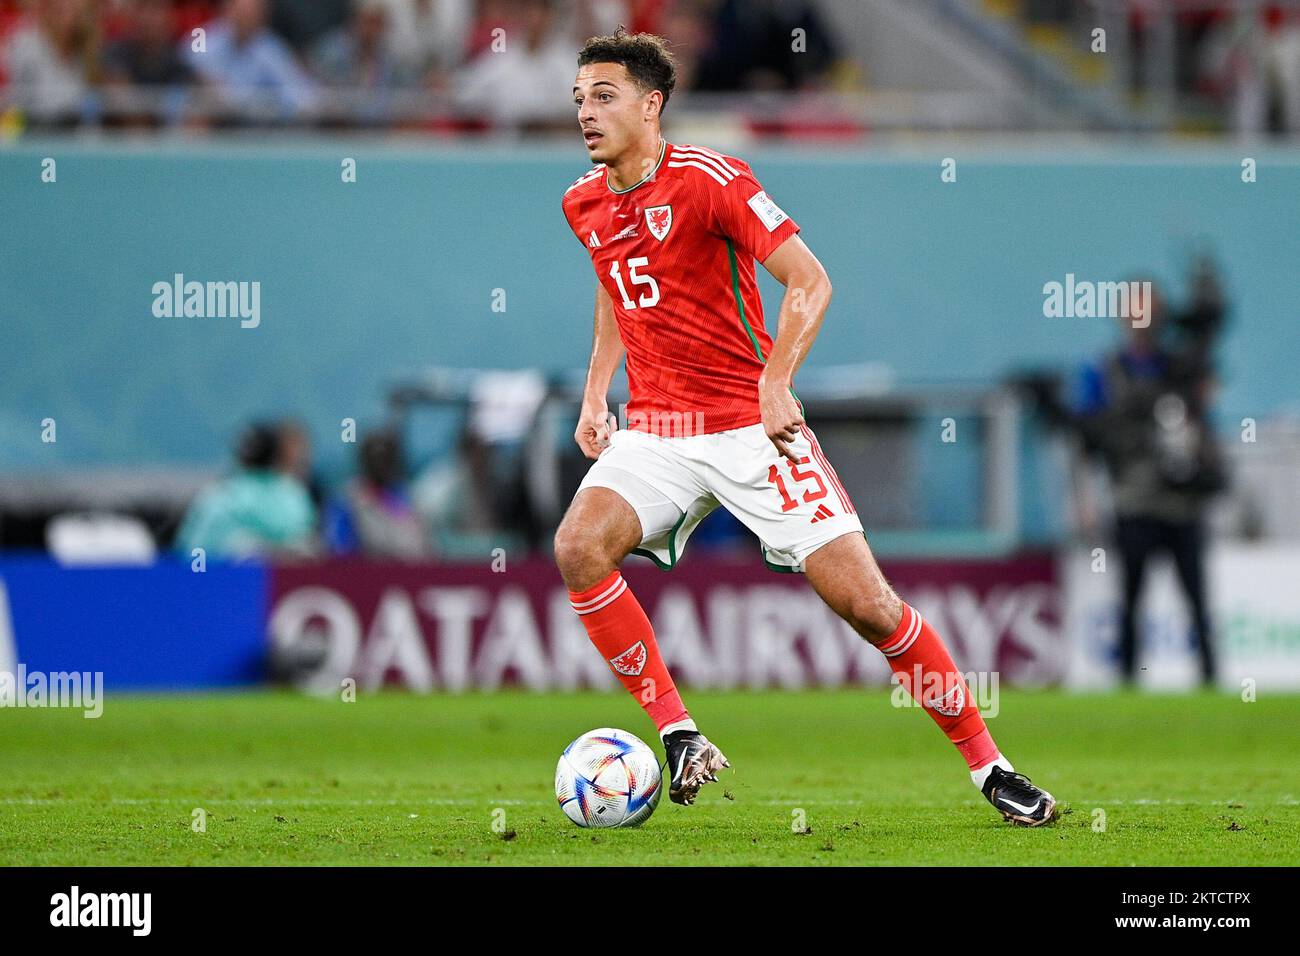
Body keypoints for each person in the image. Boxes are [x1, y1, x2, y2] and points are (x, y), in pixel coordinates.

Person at [555, 30, 1057, 823]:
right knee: (578, 547)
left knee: (871, 608)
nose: (586, 112)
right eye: (580, 97)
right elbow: (616, 286)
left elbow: (811, 280)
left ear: (652, 106)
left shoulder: (715, 180)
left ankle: (991, 767)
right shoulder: (583, 201)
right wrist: (596, 393)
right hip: (657, 429)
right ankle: (680, 733)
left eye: (604, 96)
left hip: (749, 430)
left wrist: (777, 380)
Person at [1073, 280, 1224, 688]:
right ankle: (1127, 680)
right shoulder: (1105, 371)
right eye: (1136, 310)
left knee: (1196, 595)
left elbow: (1206, 401)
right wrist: (1084, 498)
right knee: (1130, 596)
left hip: (1182, 502)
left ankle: (1211, 679)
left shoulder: (1178, 367)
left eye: (1151, 309)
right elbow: (1086, 438)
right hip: (1134, 501)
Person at [175, 421, 317, 560]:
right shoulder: (292, 494)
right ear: (276, 456)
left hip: (274, 577)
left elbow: (189, 553)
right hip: (222, 576)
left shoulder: (216, 494)